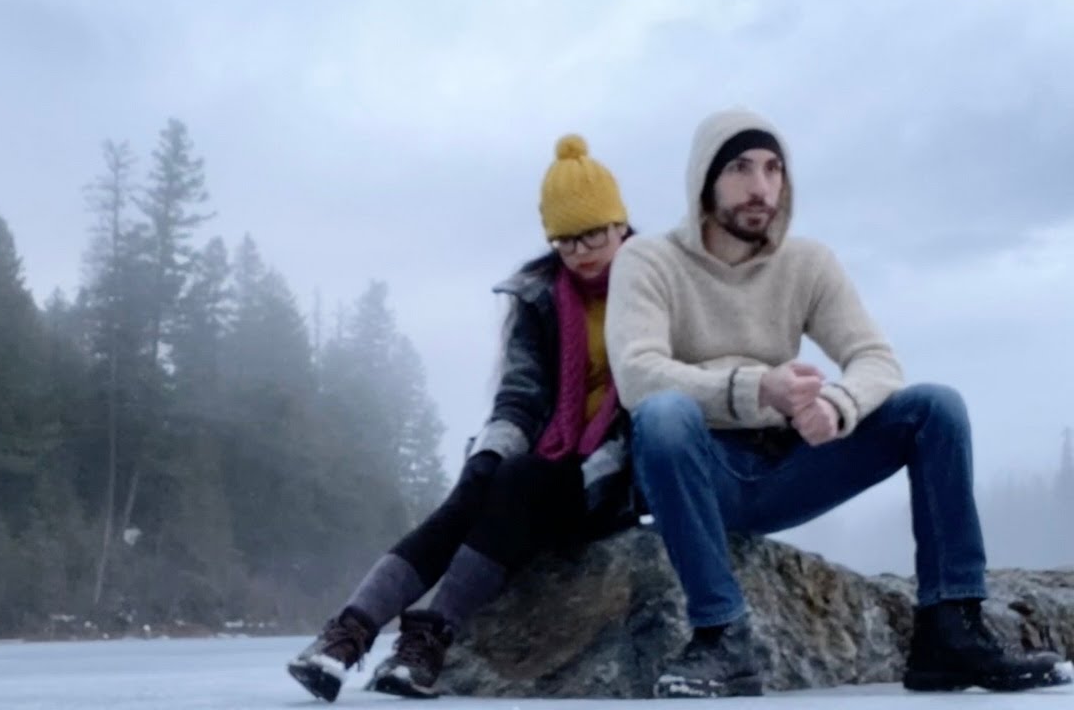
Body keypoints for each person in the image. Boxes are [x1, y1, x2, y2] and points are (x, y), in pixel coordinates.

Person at [604, 107, 1073, 699]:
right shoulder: (649, 261)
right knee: (663, 415)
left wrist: (839, 405)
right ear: (705, 178)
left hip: (790, 465)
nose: (761, 188)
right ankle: (721, 635)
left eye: (774, 169)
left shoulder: (807, 263)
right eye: (741, 169)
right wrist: (757, 388)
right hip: (701, 470)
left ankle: (949, 630)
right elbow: (639, 375)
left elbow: (877, 358)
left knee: (936, 407)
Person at [287, 134, 642, 701]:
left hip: (612, 478)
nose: (581, 251)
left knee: (515, 481)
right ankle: (348, 635)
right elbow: (521, 395)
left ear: (621, 224)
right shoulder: (541, 298)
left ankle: (429, 639)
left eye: (594, 233)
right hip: (540, 468)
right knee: (483, 484)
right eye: (566, 239)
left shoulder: (660, 287)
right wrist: (489, 454)